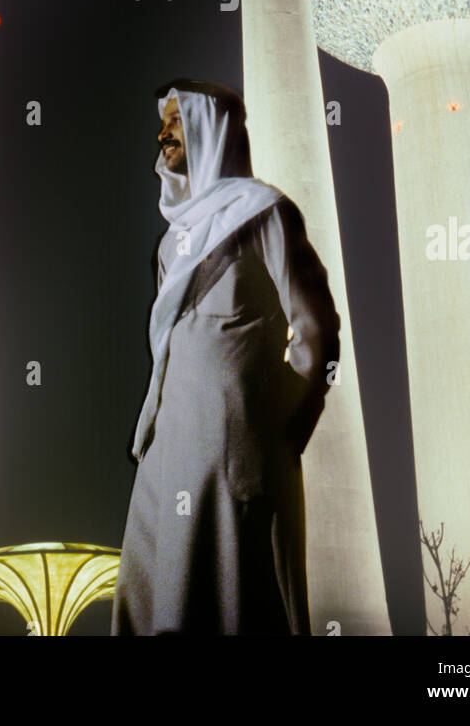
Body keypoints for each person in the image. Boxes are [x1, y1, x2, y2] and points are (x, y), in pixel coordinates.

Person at [111, 77, 341, 636]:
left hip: (237, 448)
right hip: (167, 450)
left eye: (176, 121)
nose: (162, 134)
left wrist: (278, 423)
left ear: (211, 130)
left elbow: (317, 328)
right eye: (162, 122)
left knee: (234, 596)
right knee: (152, 599)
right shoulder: (174, 242)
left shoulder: (265, 213)